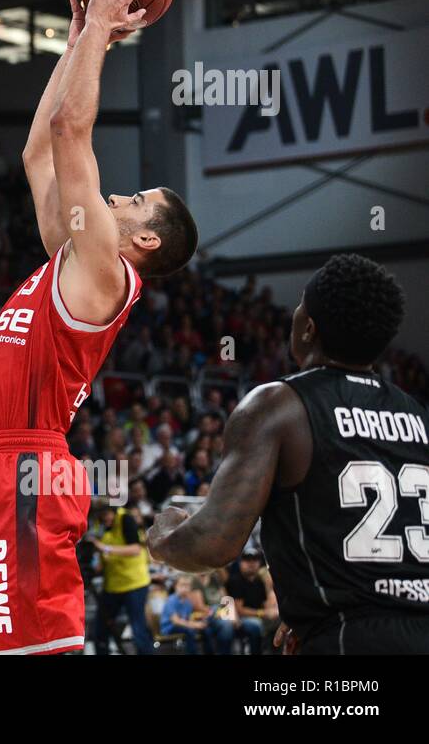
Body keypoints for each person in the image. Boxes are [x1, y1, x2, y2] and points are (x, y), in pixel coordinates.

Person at [0, 0, 198, 654]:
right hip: (3, 470)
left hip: (28, 472)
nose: (117, 196)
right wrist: (76, 44)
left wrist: (101, 26)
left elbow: (74, 133)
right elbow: (40, 151)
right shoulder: (69, 260)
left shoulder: (105, 274)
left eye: (134, 202)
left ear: (145, 238)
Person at [149, 254, 429, 654]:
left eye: (300, 305)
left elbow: (213, 545)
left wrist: (163, 537)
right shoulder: (416, 414)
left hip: (350, 638)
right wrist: (310, 610)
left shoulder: (276, 405)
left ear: (309, 327)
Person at [90, 505, 154, 655]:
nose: (106, 518)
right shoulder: (100, 525)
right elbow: (101, 557)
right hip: (112, 585)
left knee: (138, 629)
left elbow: (135, 549)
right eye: (102, 515)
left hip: (134, 584)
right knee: (100, 629)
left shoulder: (125, 518)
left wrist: (105, 548)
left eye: (107, 514)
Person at [224, 547, 277, 654]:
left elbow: (266, 603)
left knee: (279, 620)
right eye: (247, 560)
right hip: (238, 619)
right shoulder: (235, 580)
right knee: (255, 625)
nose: (251, 563)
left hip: (259, 616)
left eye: (255, 560)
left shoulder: (259, 581)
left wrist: (272, 610)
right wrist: (262, 613)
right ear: (240, 563)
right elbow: (238, 610)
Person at [159, 575, 207, 654]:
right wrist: (193, 625)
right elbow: (176, 621)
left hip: (183, 626)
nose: (185, 588)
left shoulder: (188, 602)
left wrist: (198, 623)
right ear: (175, 586)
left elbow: (188, 618)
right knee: (190, 630)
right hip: (169, 628)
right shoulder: (171, 600)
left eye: (187, 585)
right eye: (182, 585)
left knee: (205, 630)